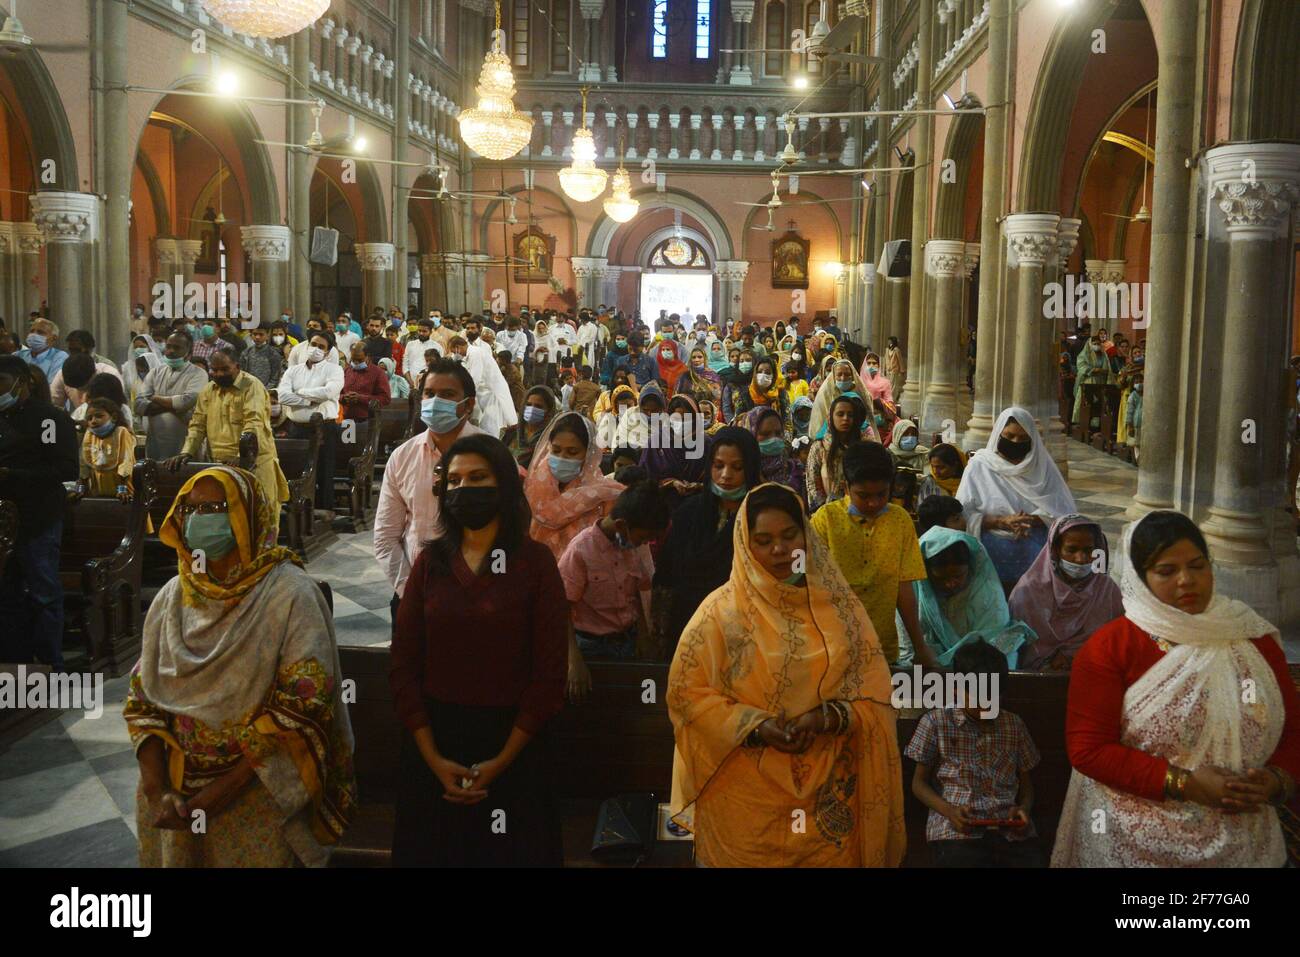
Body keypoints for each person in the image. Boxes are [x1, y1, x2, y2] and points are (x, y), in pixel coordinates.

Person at [124, 466, 356, 866]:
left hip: (258, 788)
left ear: (249, 516)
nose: (199, 519)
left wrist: (221, 793)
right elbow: (143, 699)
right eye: (191, 509)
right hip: (174, 788)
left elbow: (302, 705)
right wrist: (157, 787)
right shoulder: (173, 596)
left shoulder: (289, 594)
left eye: (216, 507)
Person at [667, 483, 907, 867]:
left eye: (789, 535)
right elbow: (686, 695)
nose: (779, 550)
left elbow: (875, 697)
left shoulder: (841, 610)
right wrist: (756, 725)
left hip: (827, 805)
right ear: (746, 545)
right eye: (763, 540)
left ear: (806, 536)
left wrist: (826, 718)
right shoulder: (719, 614)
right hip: (744, 803)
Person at [1052, 511, 1300, 867]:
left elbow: (1293, 728)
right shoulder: (1111, 647)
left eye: (1198, 566)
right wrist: (1186, 784)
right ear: (1141, 577)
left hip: (1241, 828)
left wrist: (1276, 781)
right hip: (1135, 829)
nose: (1187, 580)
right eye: (1166, 572)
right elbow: (1089, 750)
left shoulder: (1250, 637)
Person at [389, 434, 567, 867]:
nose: (464, 488)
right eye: (453, 480)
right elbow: (404, 664)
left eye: (478, 477)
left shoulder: (535, 564)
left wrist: (500, 762)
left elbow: (549, 674)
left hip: (514, 751)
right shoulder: (431, 563)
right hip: (436, 743)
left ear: (504, 485)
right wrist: (433, 758)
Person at [906, 641, 1043, 867]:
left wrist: (1023, 809)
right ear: (956, 689)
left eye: (993, 699)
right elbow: (918, 784)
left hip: (1008, 832)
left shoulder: (1013, 725)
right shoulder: (936, 722)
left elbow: (1027, 786)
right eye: (978, 699)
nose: (986, 707)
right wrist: (949, 811)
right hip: (956, 832)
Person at [374, 358, 486, 622]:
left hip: (478, 597)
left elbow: (508, 535)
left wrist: (489, 587)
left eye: (447, 395)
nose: (436, 401)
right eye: (429, 394)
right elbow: (385, 538)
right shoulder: (403, 457)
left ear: (468, 405)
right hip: (414, 593)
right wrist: (411, 590)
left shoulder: (490, 453)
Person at [811, 442, 935, 667]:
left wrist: (920, 646)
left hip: (881, 646)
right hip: (832, 646)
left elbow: (904, 588)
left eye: (881, 494)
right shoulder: (825, 519)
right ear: (846, 487)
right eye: (863, 495)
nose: (873, 503)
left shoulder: (900, 521)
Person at [651, 427, 761, 657]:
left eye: (737, 467)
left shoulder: (761, 517)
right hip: (688, 628)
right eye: (719, 465)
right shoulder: (688, 513)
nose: (726, 475)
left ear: (750, 468)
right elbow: (666, 575)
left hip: (743, 634)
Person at [0, 355, 79, 670]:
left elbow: (65, 468)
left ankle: (51, 664)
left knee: (43, 590)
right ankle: (16, 663)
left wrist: (11, 474)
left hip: (38, 517)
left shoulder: (49, 419)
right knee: (8, 595)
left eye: (2, 384)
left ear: (23, 383)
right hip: (3, 522)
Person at [169, 349, 288, 536]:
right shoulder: (209, 390)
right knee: (228, 520)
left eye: (224, 369)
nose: (218, 374)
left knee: (262, 516)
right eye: (214, 370)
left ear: (237, 367)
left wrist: (242, 455)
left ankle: (265, 562)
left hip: (255, 462)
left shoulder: (252, 386)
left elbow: (254, 422)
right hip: (220, 464)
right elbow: (198, 424)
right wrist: (187, 452)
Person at [956, 406, 1077, 590]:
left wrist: (1029, 520)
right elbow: (962, 513)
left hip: (1035, 544)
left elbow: (1064, 510)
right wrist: (1001, 521)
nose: (1015, 441)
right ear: (998, 434)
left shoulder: (1042, 468)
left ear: (1032, 440)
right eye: (1009, 436)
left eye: (1022, 438)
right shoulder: (980, 466)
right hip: (990, 544)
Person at [560, 478, 667, 663]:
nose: (644, 543)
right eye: (642, 537)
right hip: (590, 648)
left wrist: (643, 636)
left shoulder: (633, 548)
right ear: (620, 526)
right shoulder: (580, 550)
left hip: (628, 642)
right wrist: (573, 658)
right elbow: (562, 606)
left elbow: (636, 595)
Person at [1009, 515, 1124, 672]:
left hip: (1094, 671)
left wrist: (1078, 657)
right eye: (1071, 550)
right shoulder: (1029, 591)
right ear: (1055, 550)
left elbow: (1117, 639)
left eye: (1088, 550)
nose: (1081, 558)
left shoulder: (1106, 589)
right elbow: (1017, 645)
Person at [914, 526, 1038, 668]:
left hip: (979, 668)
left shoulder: (988, 595)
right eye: (941, 578)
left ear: (971, 567)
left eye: (958, 576)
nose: (950, 584)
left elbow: (994, 643)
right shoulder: (916, 591)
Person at [278, 329, 344, 521]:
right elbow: (282, 396)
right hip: (297, 426)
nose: (316, 349)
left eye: (321, 347)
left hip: (323, 427)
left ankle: (324, 511)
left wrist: (299, 392)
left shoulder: (334, 370)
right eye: (313, 344)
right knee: (297, 468)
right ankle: (298, 509)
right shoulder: (293, 370)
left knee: (324, 469)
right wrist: (308, 400)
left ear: (327, 351)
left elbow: (329, 392)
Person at [136, 332, 209, 460]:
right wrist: (174, 406)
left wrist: (154, 398)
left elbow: (186, 401)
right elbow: (138, 405)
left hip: (184, 445)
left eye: (177, 348)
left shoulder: (199, 374)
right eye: (168, 346)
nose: (170, 351)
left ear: (189, 352)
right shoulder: (156, 372)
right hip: (155, 444)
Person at [806, 392, 869, 511]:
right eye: (840, 414)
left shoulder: (863, 446)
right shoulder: (820, 447)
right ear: (831, 417)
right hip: (827, 511)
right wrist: (824, 510)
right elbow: (812, 483)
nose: (845, 418)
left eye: (850, 415)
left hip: (858, 510)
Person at [78, 397, 137, 501]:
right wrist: (81, 489)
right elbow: (83, 463)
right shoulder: (89, 434)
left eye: (99, 416)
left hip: (122, 492)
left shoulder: (122, 432)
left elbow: (126, 461)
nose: (93, 421)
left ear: (113, 417)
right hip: (98, 492)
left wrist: (122, 490)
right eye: (89, 418)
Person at [744, 406, 804, 498]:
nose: (774, 439)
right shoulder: (743, 474)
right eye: (765, 434)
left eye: (778, 433)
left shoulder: (795, 470)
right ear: (751, 435)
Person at [501, 385, 558, 469]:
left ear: (549, 411)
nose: (532, 409)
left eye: (538, 406)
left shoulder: (551, 439)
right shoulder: (510, 433)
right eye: (528, 405)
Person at [341, 342, 392, 430]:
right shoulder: (346, 371)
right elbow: (336, 394)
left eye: (360, 360)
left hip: (368, 421)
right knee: (348, 442)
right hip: (347, 419)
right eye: (353, 360)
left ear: (368, 356)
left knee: (364, 443)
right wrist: (344, 398)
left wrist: (361, 398)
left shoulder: (378, 373)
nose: (356, 363)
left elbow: (385, 398)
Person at [242, 324, 283, 390]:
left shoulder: (273, 354)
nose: (257, 337)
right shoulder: (246, 353)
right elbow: (242, 374)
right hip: (248, 390)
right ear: (251, 335)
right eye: (255, 334)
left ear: (267, 336)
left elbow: (275, 379)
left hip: (266, 391)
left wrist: (263, 391)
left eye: (261, 334)